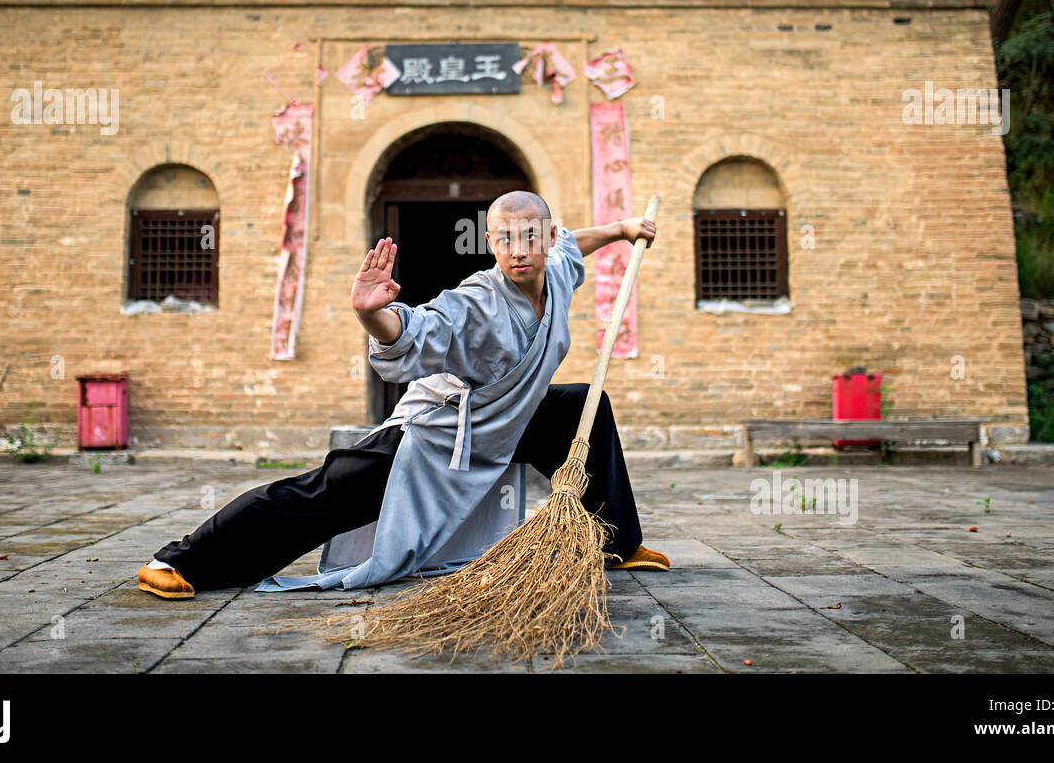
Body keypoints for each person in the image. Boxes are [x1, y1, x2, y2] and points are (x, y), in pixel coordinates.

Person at [137, 191, 668, 599]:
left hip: (507, 417)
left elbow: (582, 240)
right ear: (490, 242)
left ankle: (615, 542)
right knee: (330, 491)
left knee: (581, 407)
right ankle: (184, 561)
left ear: (549, 236)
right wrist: (372, 314)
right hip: (440, 432)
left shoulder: (558, 265)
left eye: (531, 235)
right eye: (504, 238)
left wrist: (623, 229)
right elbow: (417, 330)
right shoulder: (477, 303)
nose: (518, 249)